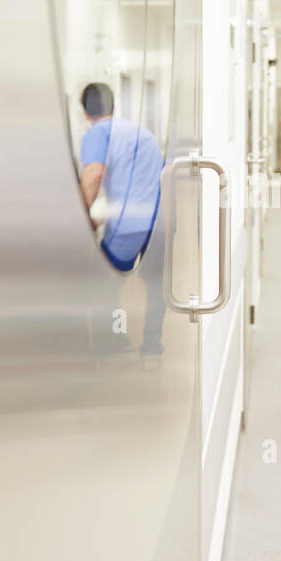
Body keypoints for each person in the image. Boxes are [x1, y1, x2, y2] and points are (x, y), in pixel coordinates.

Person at [79, 82, 166, 357]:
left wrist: (80, 219)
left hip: (129, 226)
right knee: (154, 286)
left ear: (85, 112)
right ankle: (151, 347)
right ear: (113, 106)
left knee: (105, 285)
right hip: (159, 222)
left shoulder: (97, 133)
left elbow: (93, 175)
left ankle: (112, 342)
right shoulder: (141, 132)